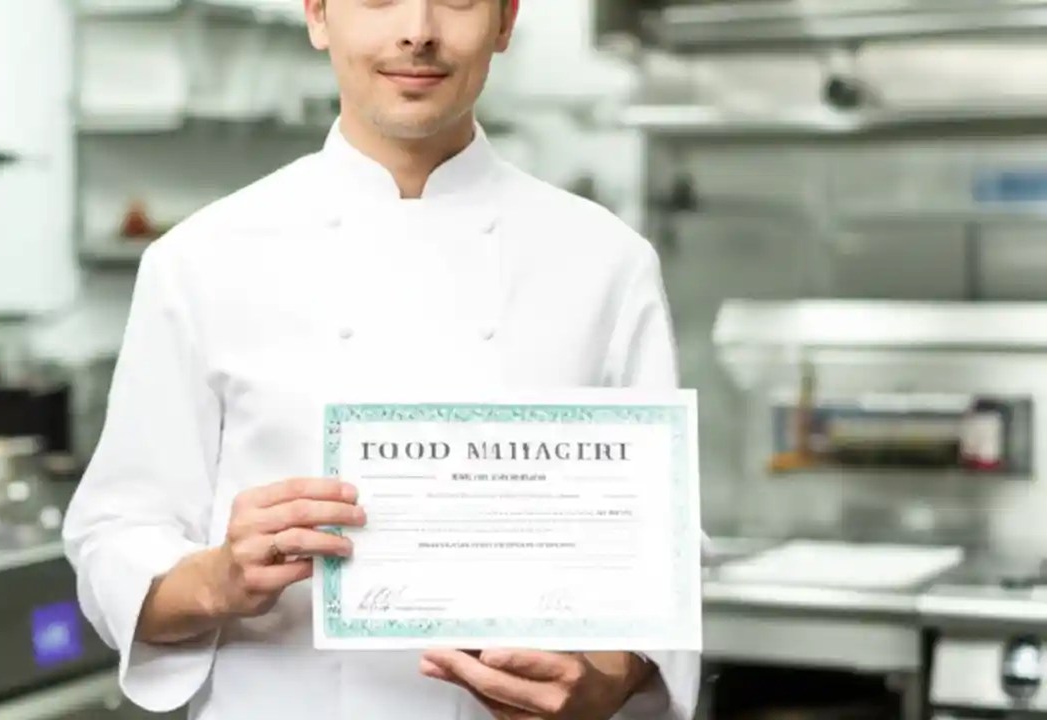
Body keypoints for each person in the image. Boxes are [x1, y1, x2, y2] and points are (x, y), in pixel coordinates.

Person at [62, 0, 701, 717]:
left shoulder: (606, 262)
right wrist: (217, 579)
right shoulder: (200, 260)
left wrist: (608, 677)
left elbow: (657, 542)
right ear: (317, 14)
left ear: (505, 19)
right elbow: (116, 533)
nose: (418, 30)